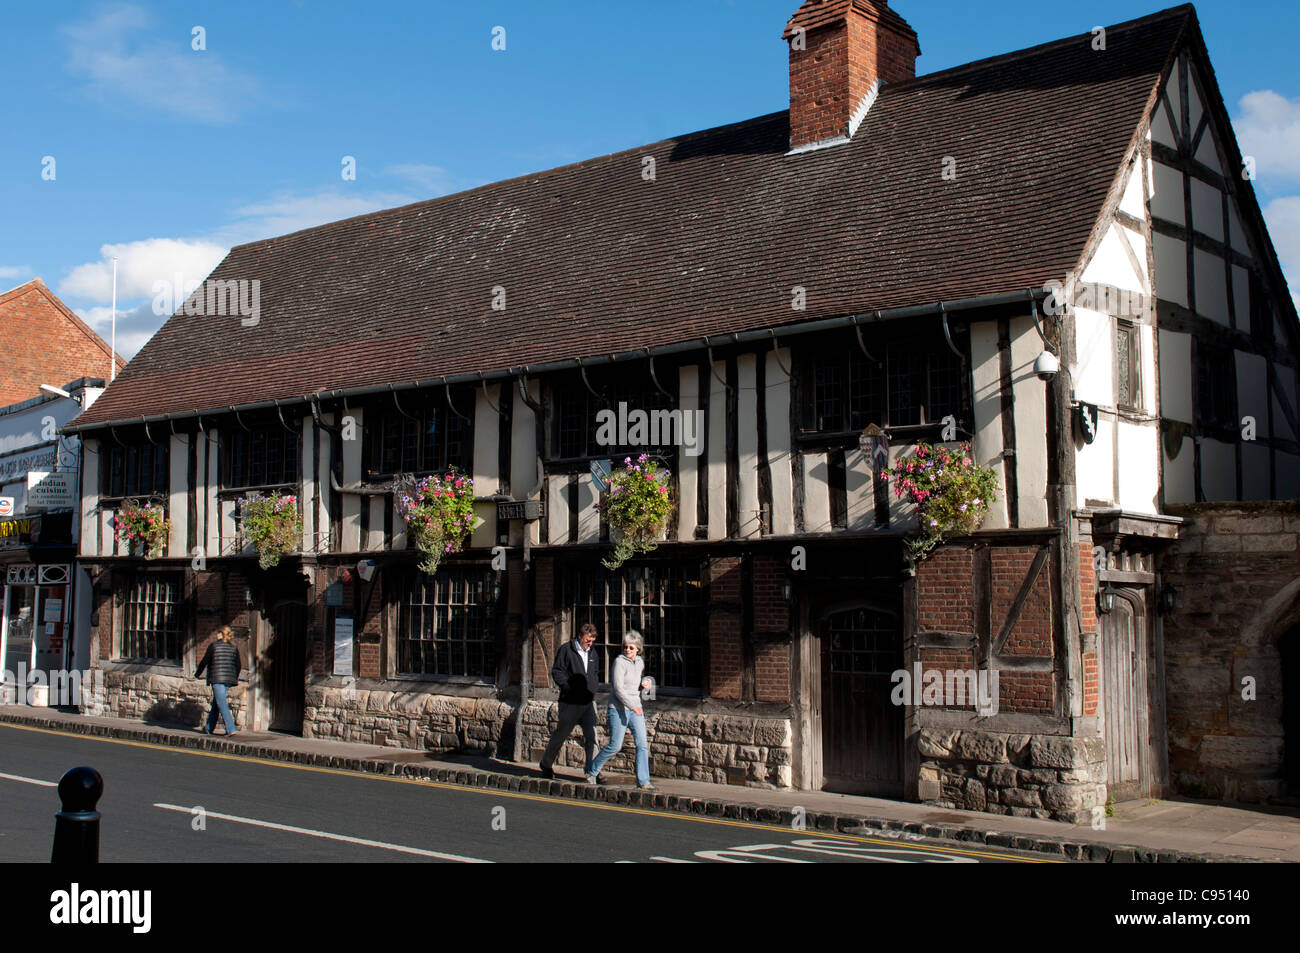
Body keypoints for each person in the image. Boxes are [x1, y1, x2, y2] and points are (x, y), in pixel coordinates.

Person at [587, 630, 654, 790]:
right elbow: (618, 689)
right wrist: (633, 706)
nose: (627, 650)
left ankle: (643, 781)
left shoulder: (640, 663)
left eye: (631, 647)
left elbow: (637, 685)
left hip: (635, 708)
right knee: (615, 745)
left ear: (638, 649)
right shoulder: (619, 662)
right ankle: (592, 770)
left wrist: (646, 685)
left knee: (642, 744)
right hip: (618, 708)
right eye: (625, 647)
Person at [539, 622, 600, 779]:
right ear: (580, 636)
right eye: (588, 640)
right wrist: (569, 688)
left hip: (588, 702)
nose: (590, 643)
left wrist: (592, 688)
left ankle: (593, 771)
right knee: (561, 734)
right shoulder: (566, 650)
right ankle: (546, 764)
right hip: (570, 701)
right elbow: (557, 671)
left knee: (592, 736)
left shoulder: (593, 653)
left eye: (592, 641)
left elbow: (594, 674)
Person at [195, 626, 242, 736]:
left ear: (221, 634)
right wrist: (234, 677)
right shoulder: (234, 648)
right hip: (228, 680)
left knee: (221, 704)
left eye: (218, 633)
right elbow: (238, 665)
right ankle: (208, 728)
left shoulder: (214, 646)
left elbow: (204, 661)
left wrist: (197, 674)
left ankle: (231, 728)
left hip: (217, 679)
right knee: (217, 703)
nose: (216, 635)